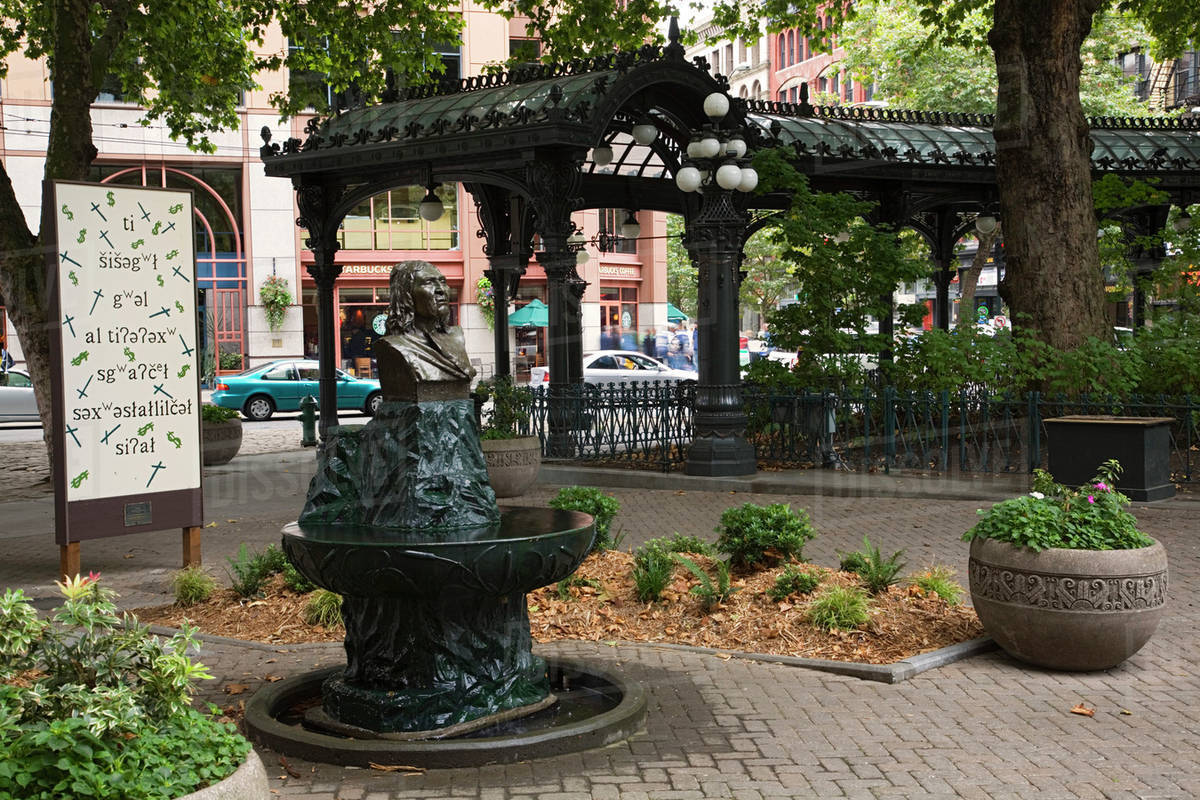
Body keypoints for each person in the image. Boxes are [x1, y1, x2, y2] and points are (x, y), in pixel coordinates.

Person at [375, 260, 474, 401]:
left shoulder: (456, 337)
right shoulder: (395, 346)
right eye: (429, 282)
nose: (441, 289)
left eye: (442, 281)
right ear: (406, 294)